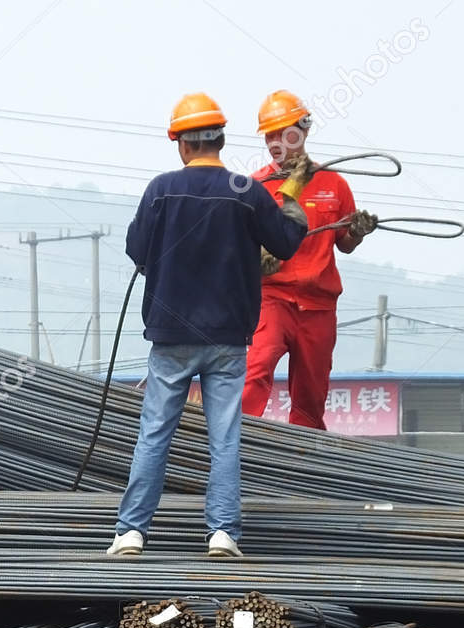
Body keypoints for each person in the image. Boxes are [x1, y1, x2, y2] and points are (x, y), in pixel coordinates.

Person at [109, 93, 309, 559]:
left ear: (181, 145)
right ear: (220, 139)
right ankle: (222, 533)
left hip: (170, 336)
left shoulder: (160, 191)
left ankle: (131, 533)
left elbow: (138, 251)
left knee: (154, 432)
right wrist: (293, 199)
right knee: (224, 437)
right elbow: (283, 242)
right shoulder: (245, 191)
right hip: (227, 337)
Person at [240, 89, 378, 429]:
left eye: (283, 133)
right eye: (269, 135)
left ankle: (303, 463)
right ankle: (234, 440)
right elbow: (238, 247)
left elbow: (343, 244)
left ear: (303, 130)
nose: (275, 143)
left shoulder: (335, 185)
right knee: (256, 371)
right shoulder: (255, 187)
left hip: (318, 307)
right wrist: (256, 259)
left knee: (311, 395)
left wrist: (357, 233)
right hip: (272, 299)